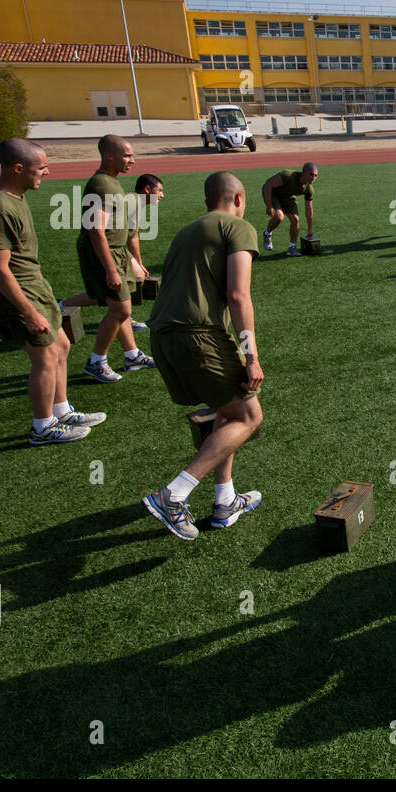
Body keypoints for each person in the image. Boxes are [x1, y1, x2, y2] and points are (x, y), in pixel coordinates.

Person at [142, 171, 264, 541]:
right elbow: (238, 295)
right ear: (239, 198)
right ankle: (173, 494)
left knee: (225, 412)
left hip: (162, 337)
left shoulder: (186, 231)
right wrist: (251, 355)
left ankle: (225, 500)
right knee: (249, 415)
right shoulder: (237, 227)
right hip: (198, 336)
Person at [0, 138, 106, 445]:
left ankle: (61, 411)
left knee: (60, 345)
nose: (46, 173)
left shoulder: (13, 197)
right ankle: (42, 427)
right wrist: (29, 311)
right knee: (44, 357)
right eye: (41, 168)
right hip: (13, 293)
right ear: (18, 168)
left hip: (32, 286)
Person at [75, 134, 156, 383]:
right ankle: (96, 361)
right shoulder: (102, 185)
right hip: (105, 254)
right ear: (109, 155)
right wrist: (110, 268)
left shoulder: (111, 182)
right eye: (127, 155)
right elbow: (95, 230)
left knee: (119, 309)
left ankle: (131, 355)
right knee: (121, 309)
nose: (132, 160)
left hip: (115, 252)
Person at [61, 172, 163, 331]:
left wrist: (138, 263)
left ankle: (123, 315)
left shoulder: (135, 201)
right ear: (147, 189)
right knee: (111, 290)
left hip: (116, 246)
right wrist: (139, 263)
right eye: (160, 191)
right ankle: (64, 305)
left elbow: (131, 236)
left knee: (135, 278)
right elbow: (132, 238)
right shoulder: (135, 201)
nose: (162, 195)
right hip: (108, 247)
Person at [261, 163, 317, 257]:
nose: (313, 177)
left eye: (315, 175)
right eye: (311, 174)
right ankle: (267, 234)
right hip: (273, 194)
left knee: (295, 220)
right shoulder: (288, 175)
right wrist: (269, 206)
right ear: (303, 173)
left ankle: (292, 248)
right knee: (279, 217)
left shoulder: (309, 189)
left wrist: (310, 229)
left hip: (287, 197)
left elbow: (309, 210)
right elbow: (268, 185)